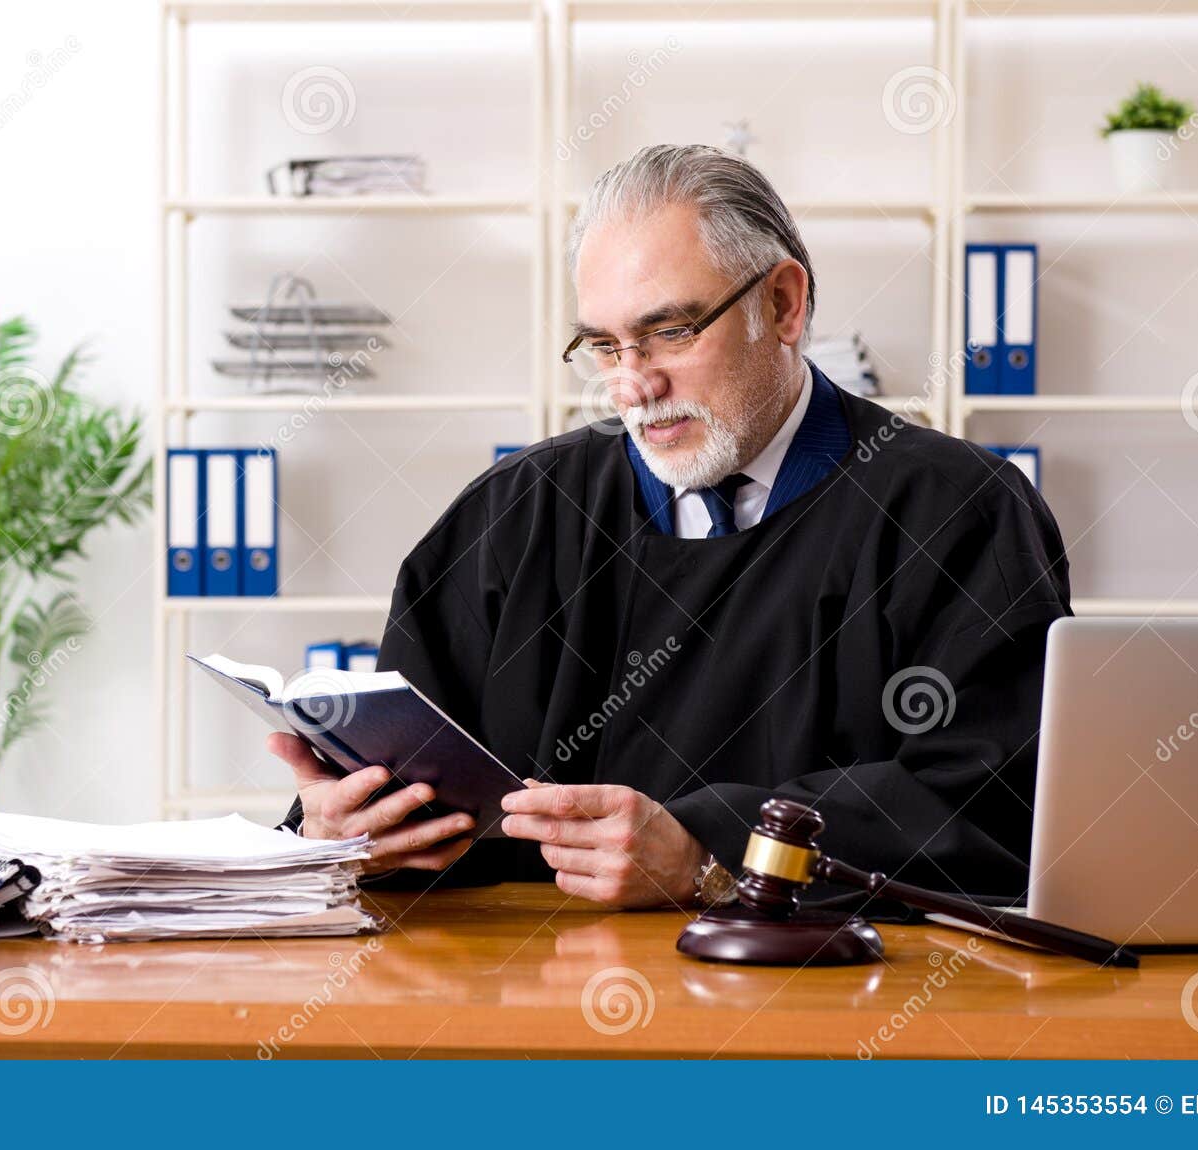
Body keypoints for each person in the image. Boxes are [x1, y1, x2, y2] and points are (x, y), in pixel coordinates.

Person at [270, 143, 1069, 909]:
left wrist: (711, 855)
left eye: (671, 332)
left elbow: (994, 816)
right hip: (536, 987)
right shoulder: (512, 515)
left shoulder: (958, 512)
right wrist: (336, 834)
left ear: (782, 305)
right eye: (604, 346)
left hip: (832, 992)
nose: (634, 385)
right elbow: (407, 793)